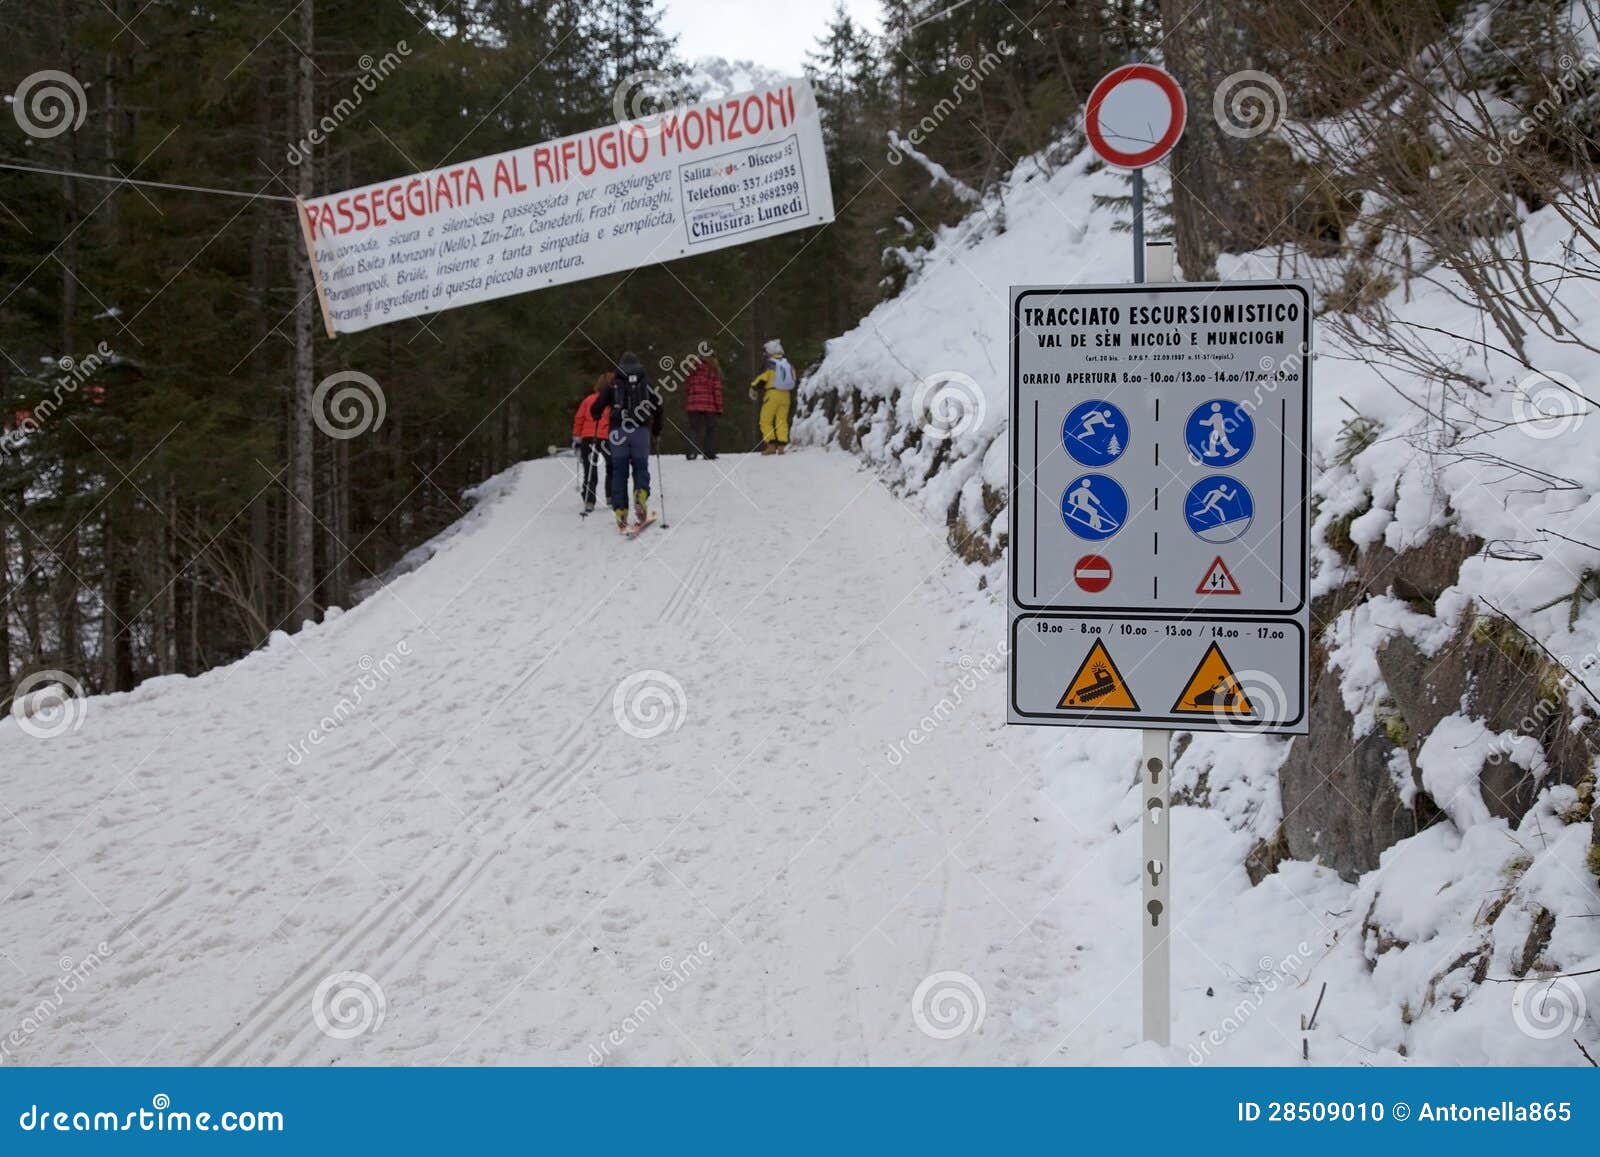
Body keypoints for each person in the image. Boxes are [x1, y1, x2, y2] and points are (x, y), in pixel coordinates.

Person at [590, 351, 664, 531]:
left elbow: (596, 407)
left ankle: (621, 511)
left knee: (619, 472)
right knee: (640, 467)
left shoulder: (613, 382)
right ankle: (640, 494)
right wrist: (656, 429)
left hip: (618, 432)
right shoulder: (645, 382)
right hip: (640, 430)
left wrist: (598, 413)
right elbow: (659, 404)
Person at [571, 376, 612, 513]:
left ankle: (589, 499)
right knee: (612, 466)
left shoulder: (588, 400)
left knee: (590, 469)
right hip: (607, 437)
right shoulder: (613, 401)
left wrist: (577, 437)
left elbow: (579, 418)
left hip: (588, 437)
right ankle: (611, 495)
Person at [749, 338, 795, 454]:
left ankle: (770, 445)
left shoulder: (770, 364)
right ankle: (781, 446)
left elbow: (762, 379)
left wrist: (753, 387)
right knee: (782, 420)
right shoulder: (787, 363)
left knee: (765, 420)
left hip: (772, 394)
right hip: (786, 395)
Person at [683, 347, 724, 460]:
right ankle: (709, 453)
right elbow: (717, 391)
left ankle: (691, 453)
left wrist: (690, 398)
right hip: (709, 404)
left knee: (693, 429)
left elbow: (687, 387)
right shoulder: (714, 370)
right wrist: (719, 408)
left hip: (693, 404)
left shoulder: (692, 369)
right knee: (710, 429)